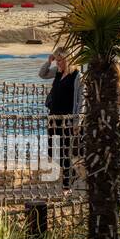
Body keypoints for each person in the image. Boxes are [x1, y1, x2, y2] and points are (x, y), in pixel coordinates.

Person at [39, 49, 82, 191]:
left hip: (67, 120)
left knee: (65, 152)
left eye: (60, 60)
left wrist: (77, 121)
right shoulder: (57, 72)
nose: (58, 63)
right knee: (52, 151)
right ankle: (73, 173)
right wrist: (48, 62)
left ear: (68, 59)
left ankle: (66, 185)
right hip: (53, 117)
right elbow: (42, 74)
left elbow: (80, 100)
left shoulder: (76, 76)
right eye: (57, 60)